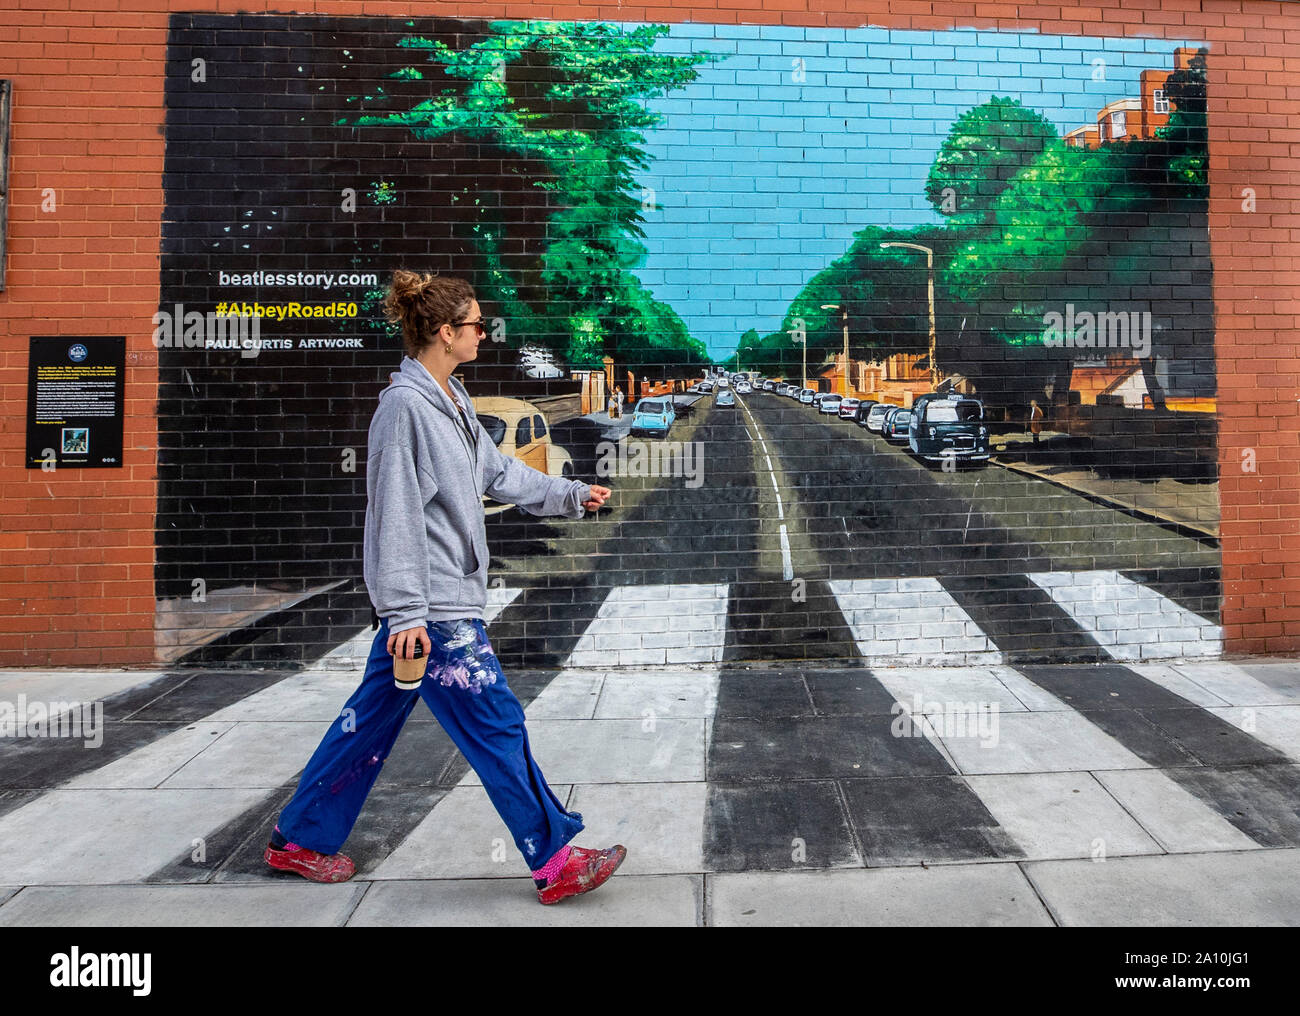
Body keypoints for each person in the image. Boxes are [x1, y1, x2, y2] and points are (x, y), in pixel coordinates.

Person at [264, 269, 622, 905]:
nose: (485, 333)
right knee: (497, 724)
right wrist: (403, 615)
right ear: (443, 332)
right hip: (432, 610)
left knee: (367, 724)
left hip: (431, 607)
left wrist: (571, 494)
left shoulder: (452, 400)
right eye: (476, 324)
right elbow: (394, 514)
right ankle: (556, 860)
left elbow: (501, 473)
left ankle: (300, 840)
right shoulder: (403, 409)